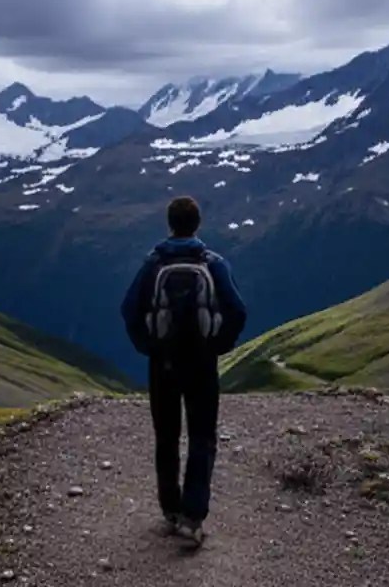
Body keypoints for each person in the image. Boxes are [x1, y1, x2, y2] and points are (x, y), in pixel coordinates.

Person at [121, 196, 247, 547]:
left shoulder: (152, 264)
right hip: (202, 364)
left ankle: (170, 510)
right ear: (197, 224)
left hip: (162, 364)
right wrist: (217, 346)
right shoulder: (214, 263)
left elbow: (128, 309)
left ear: (169, 223)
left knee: (166, 437)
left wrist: (149, 347)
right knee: (202, 437)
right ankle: (193, 519)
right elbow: (237, 310)